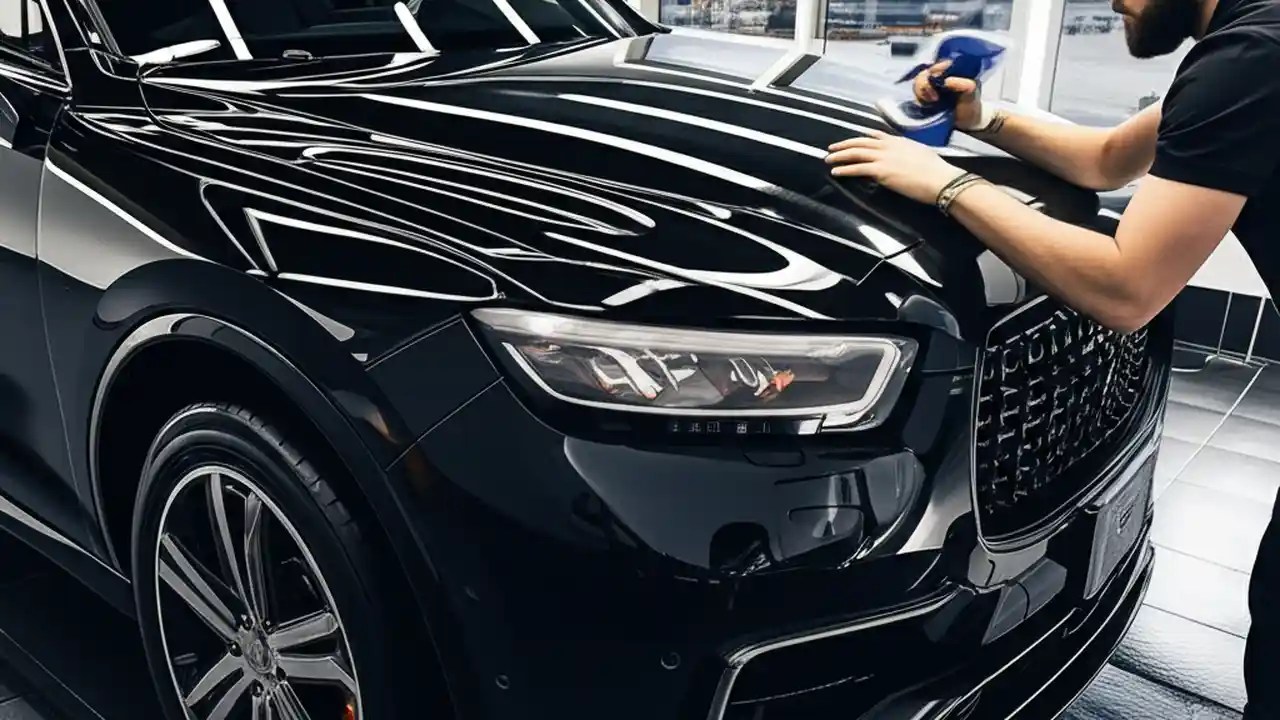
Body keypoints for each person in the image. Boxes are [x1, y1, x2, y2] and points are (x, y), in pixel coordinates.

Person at [822, 0, 1280, 714]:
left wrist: (946, 186)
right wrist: (982, 120)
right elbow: (1107, 160)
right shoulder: (1250, 45)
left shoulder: (1252, 61)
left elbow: (1129, 290)